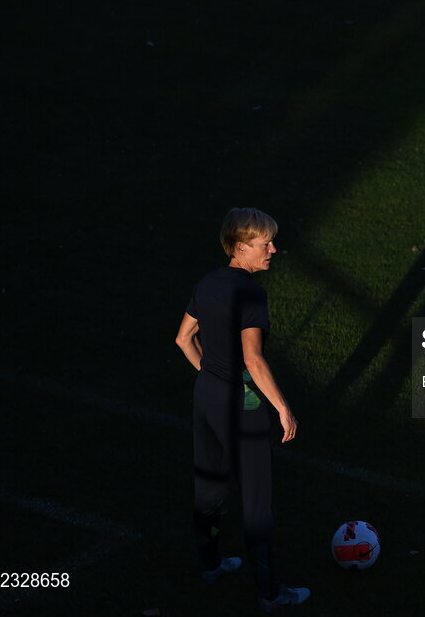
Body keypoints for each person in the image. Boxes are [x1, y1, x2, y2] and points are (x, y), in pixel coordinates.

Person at [174, 207, 310, 611]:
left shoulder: (208, 281)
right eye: (264, 243)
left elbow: (183, 339)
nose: (273, 248)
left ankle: (211, 565)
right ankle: (272, 593)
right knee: (256, 503)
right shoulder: (251, 292)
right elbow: (253, 359)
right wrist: (283, 408)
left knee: (209, 488)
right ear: (239, 247)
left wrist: (214, 376)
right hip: (242, 409)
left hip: (206, 398)